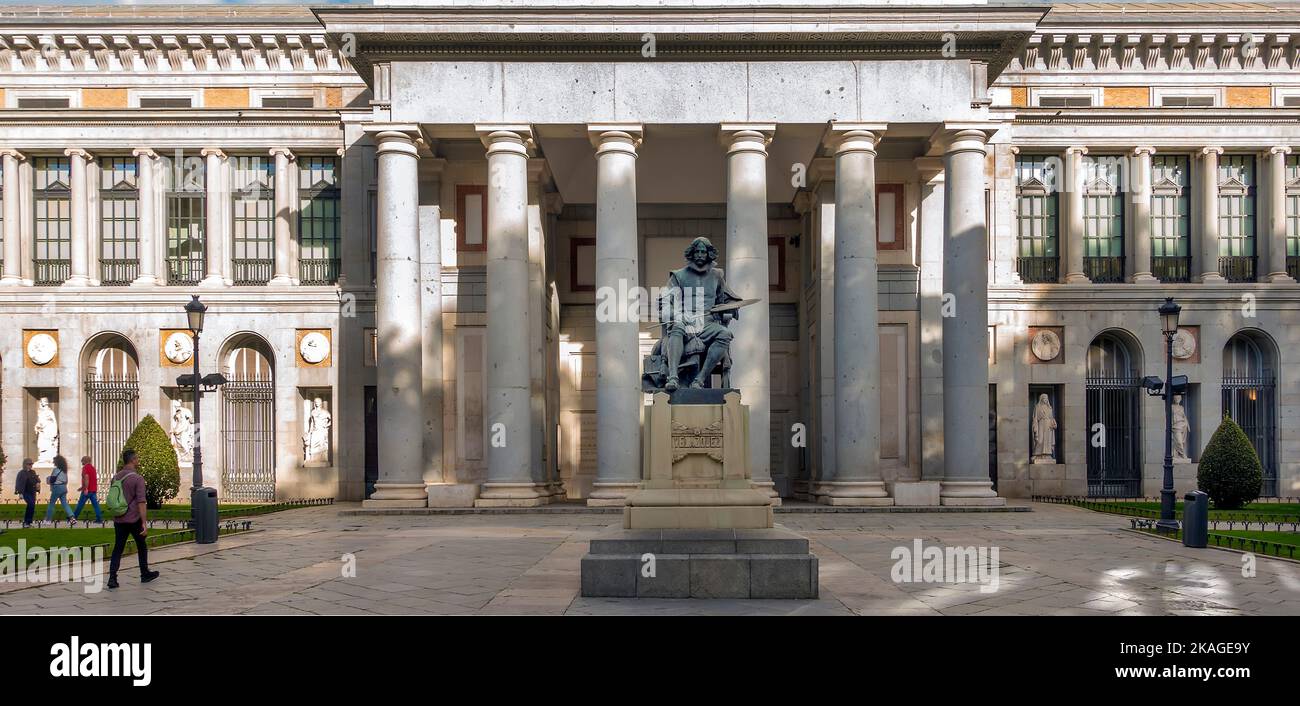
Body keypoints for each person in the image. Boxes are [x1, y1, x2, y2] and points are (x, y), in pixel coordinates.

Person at [107, 449, 159, 589]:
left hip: (119, 518)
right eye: (137, 459)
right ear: (133, 460)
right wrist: (144, 522)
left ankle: (112, 578)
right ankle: (144, 573)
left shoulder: (116, 477)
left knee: (118, 548)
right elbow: (141, 502)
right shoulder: (137, 478)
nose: (138, 461)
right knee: (141, 546)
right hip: (134, 519)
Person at [72, 455, 103, 524]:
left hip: (87, 490)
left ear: (85, 461)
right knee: (96, 505)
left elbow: (86, 478)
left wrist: (85, 488)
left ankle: (74, 518)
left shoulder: (85, 468)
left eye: (82, 460)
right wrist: (82, 487)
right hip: (93, 490)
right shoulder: (93, 468)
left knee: (80, 504)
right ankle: (99, 519)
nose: (81, 461)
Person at [44, 455, 74, 524]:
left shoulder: (55, 470)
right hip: (64, 487)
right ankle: (72, 517)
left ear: (57, 462)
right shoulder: (64, 470)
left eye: (54, 461)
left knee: (51, 504)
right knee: (65, 503)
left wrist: (49, 479)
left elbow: (52, 480)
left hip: (57, 487)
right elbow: (66, 480)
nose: (53, 462)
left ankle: (48, 520)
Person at [13, 458, 38, 528]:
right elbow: (19, 483)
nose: (30, 466)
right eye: (29, 464)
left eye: (31, 464)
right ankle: (27, 522)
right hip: (25, 492)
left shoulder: (33, 472)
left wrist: (38, 482)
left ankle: (28, 522)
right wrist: (20, 493)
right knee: (30, 504)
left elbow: (36, 479)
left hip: (32, 492)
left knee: (32, 506)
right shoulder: (21, 473)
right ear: (25, 464)